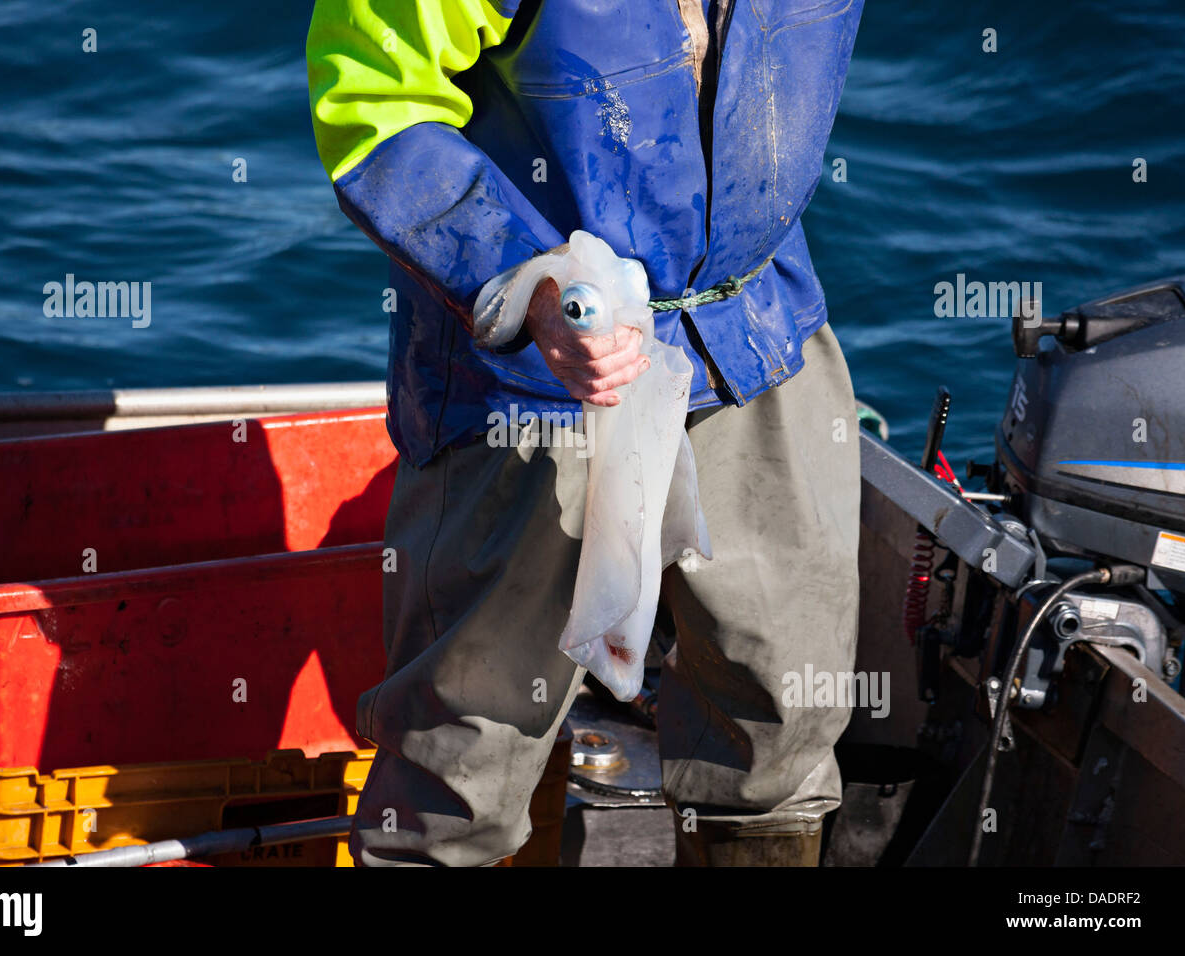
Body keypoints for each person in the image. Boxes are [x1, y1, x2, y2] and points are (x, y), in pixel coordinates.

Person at [307, 0, 864, 866]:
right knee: (466, 756)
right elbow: (371, 105)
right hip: (523, 377)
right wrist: (519, 281)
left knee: (781, 713)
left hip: (754, 331)